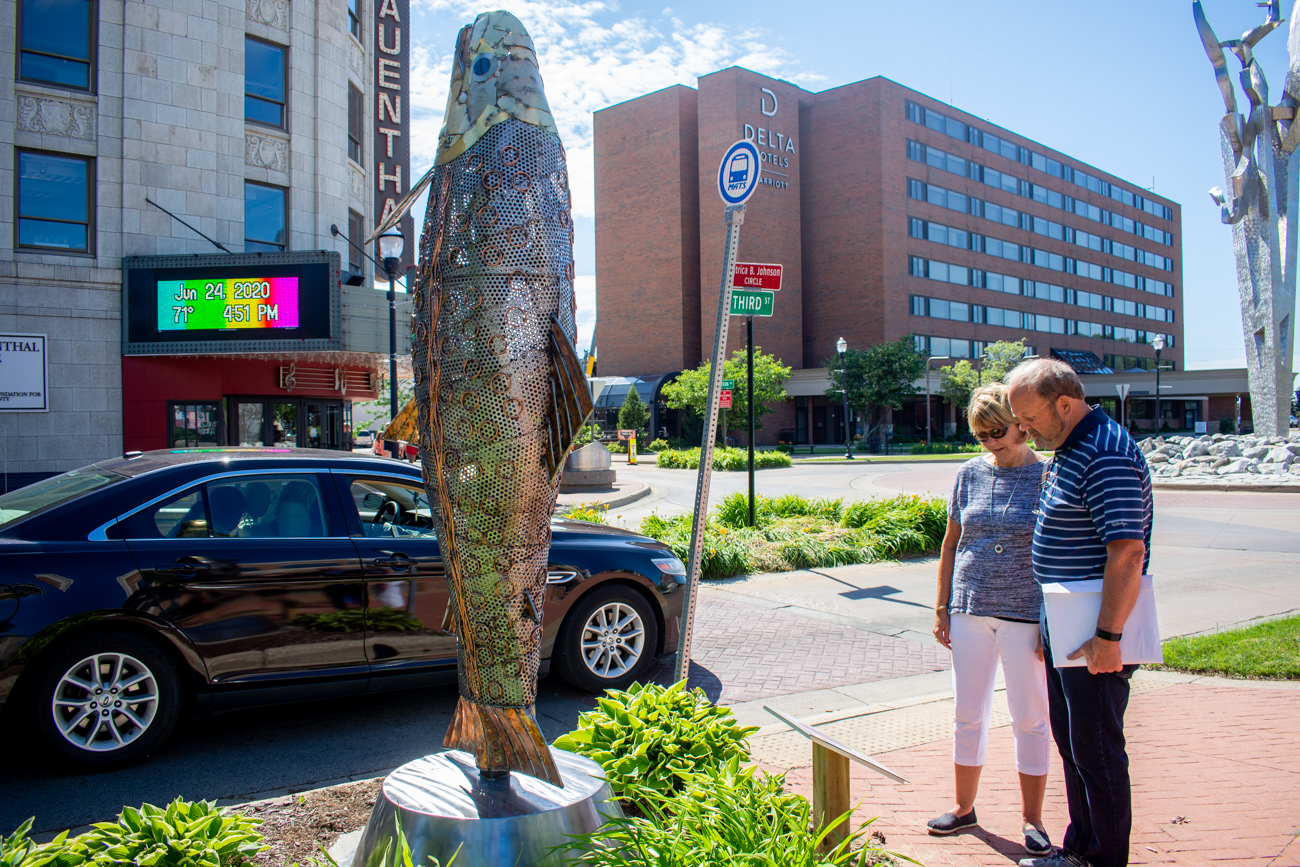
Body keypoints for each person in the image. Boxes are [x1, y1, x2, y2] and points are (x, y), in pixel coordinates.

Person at [1005, 359, 1152, 867]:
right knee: (1073, 745)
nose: (1022, 429)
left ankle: (1105, 859)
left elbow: (1128, 551)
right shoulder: (1069, 448)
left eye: (1028, 418)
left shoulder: (1105, 453)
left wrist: (1108, 636)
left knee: (1097, 750)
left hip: (1095, 630)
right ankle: (1078, 851)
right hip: (1066, 622)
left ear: (1064, 403)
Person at [929, 383, 1052, 856]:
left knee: (1029, 718)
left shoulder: (1048, 475)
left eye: (997, 431)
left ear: (1022, 422)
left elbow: (1060, 550)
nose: (990, 442)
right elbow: (950, 544)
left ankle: (1033, 820)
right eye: (980, 435)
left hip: (1025, 613)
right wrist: (942, 607)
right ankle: (964, 809)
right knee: (967, 713)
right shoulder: (967, 475)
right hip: (970, 609)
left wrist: (1050, 620)